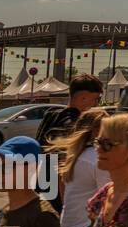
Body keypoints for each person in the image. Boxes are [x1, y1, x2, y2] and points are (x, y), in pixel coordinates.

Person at [36, 74, 104, 209]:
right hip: (59, 191)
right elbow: (65, 162)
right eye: (95, 99)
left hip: (42, 183)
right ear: (83, 97)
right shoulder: (74, 123)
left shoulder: (51, 115)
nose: (95, 104)